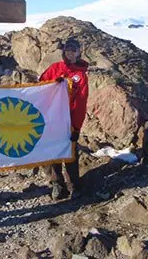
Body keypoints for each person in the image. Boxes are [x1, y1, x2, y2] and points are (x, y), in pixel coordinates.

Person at [39, 37, 89, 200]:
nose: (70, 53)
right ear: (64, 51)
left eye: (74, 50)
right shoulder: (55, 68)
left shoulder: (81, 76)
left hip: (68, 120)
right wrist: (54, 83)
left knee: (70, 153)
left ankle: (73, 185)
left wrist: (76, 126)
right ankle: (57, 184)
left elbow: (81, 103)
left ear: (79, 52)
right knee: (51, 151)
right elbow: (40, 86)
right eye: (68, 50)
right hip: (51, 119)